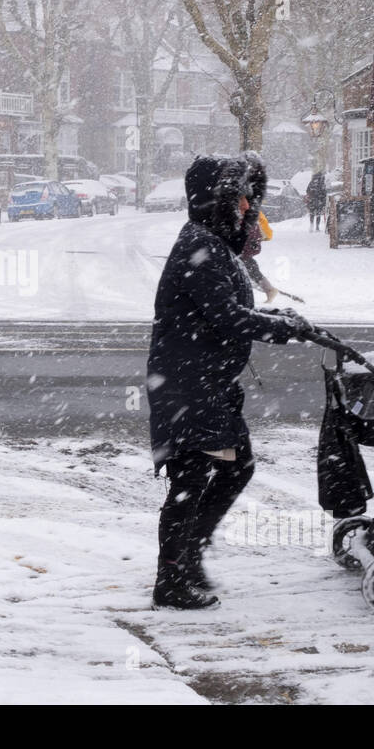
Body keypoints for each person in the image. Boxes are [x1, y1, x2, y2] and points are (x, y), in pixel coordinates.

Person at [146, 154, 314, 609]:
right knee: (189, 480)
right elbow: (224, 316)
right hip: (188, 384)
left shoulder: (214, 245)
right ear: (217, 201)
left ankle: (189, 557)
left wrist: (275, 317)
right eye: (240, 199)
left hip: (209, 383)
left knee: (235, 466)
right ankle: (172, 581)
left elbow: (230, 310)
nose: (246, 208)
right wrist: (281, 329)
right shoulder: (198, 247)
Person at [238, 151, 280, 303]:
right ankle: (267, 289)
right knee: (244, 260)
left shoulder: (246, 182)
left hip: (246, 224)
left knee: (242, 260)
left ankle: (266, 289)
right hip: (249, 224)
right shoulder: (254, 182)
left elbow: (246, 203)